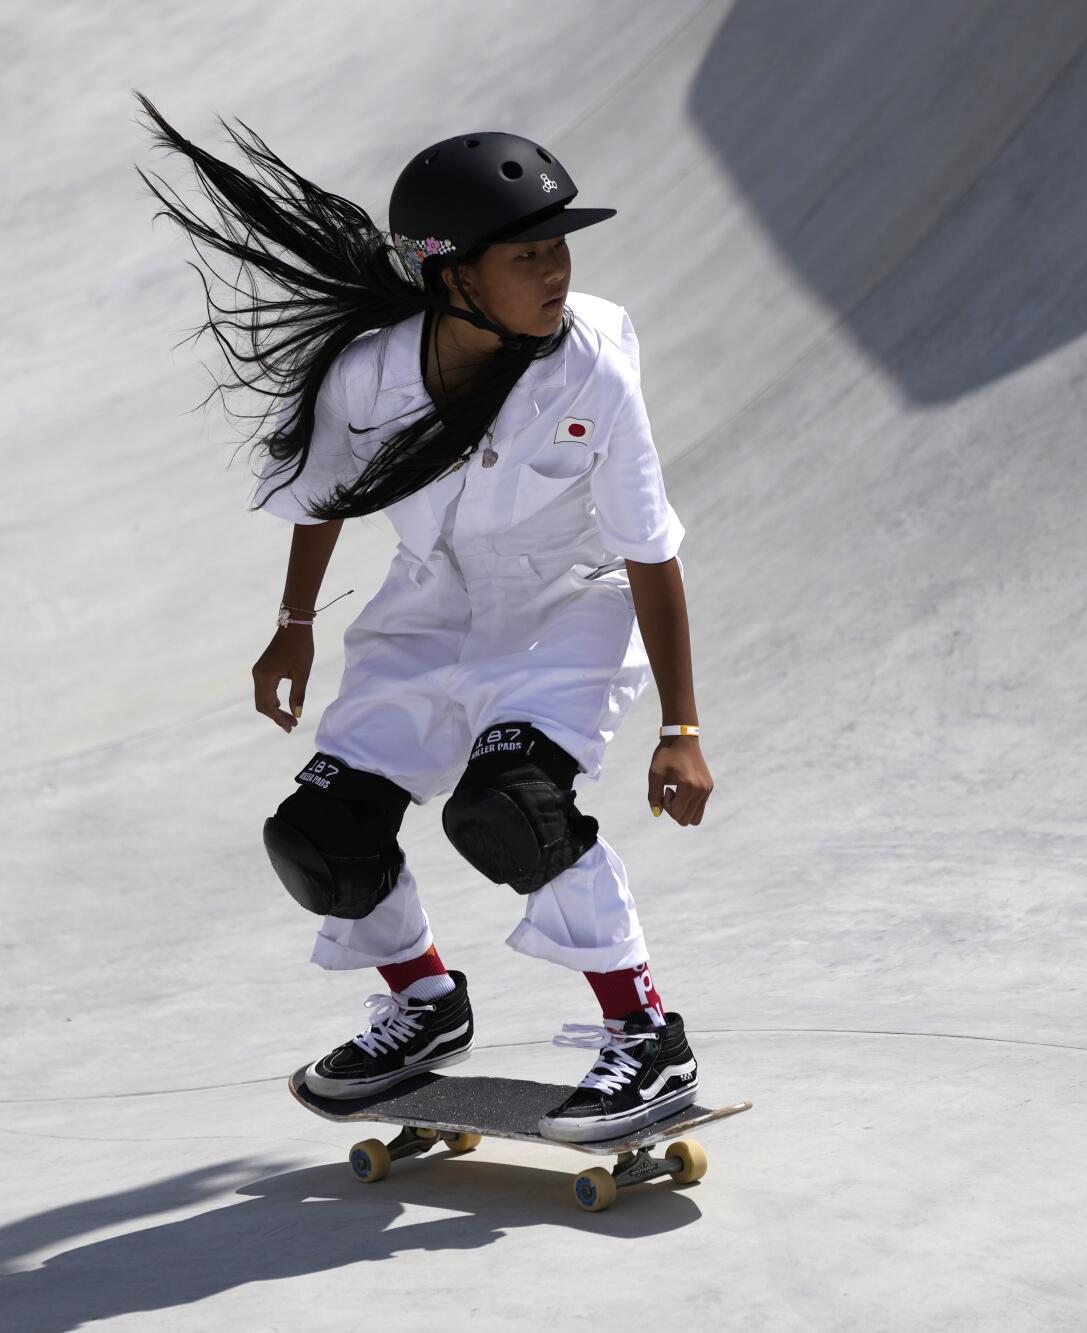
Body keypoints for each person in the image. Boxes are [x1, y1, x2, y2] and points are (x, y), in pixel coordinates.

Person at [135, 95, 715, 1142]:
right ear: (453, 276)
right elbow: (321, 497)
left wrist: (681, 729)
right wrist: (293, 623)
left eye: (558, 253)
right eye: (525, 256)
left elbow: (649, 548)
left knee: (510, 811)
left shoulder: (592, 363)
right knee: (321, 838)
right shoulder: (366, 381)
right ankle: (422, 1002)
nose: (554, 275)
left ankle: (645, 1035)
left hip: (568, 608)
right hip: (429, 608)